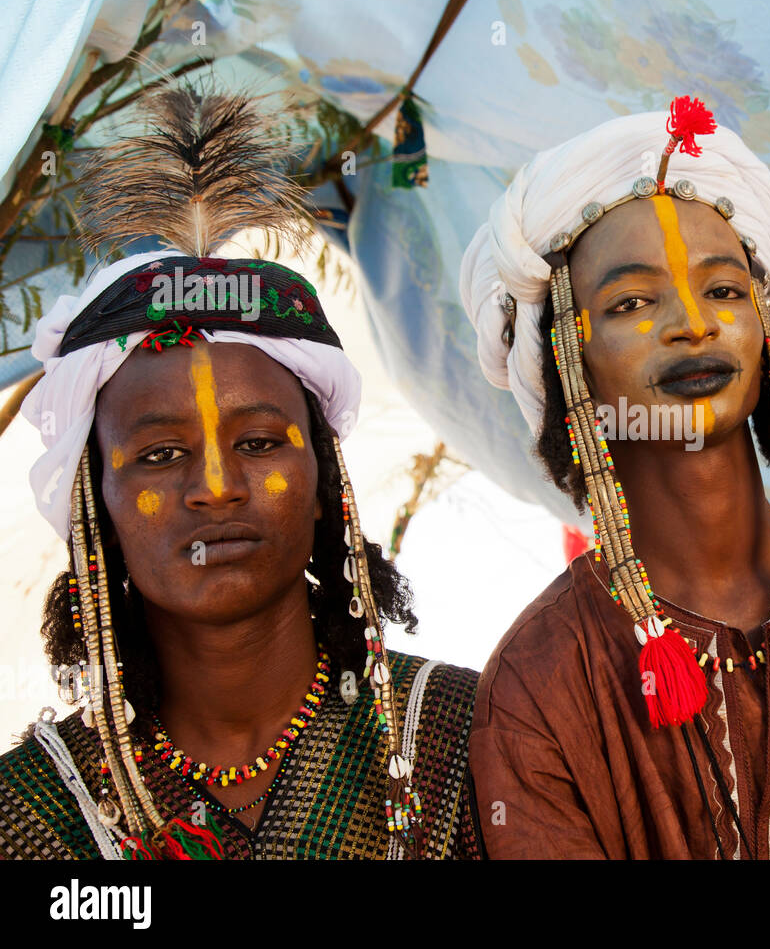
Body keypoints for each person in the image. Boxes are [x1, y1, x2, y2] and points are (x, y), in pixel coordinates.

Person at [460, 96, 770, 859]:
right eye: (632, 302)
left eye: (725, 290)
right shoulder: (540, 683)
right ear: (569, 361)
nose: (694, 323)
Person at [0, 86, 479, 860]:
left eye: (258, 442)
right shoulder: (29, 817)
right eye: (159, 455)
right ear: (99, 506)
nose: (216, 486)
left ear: (325, 483)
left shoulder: (472, 736)